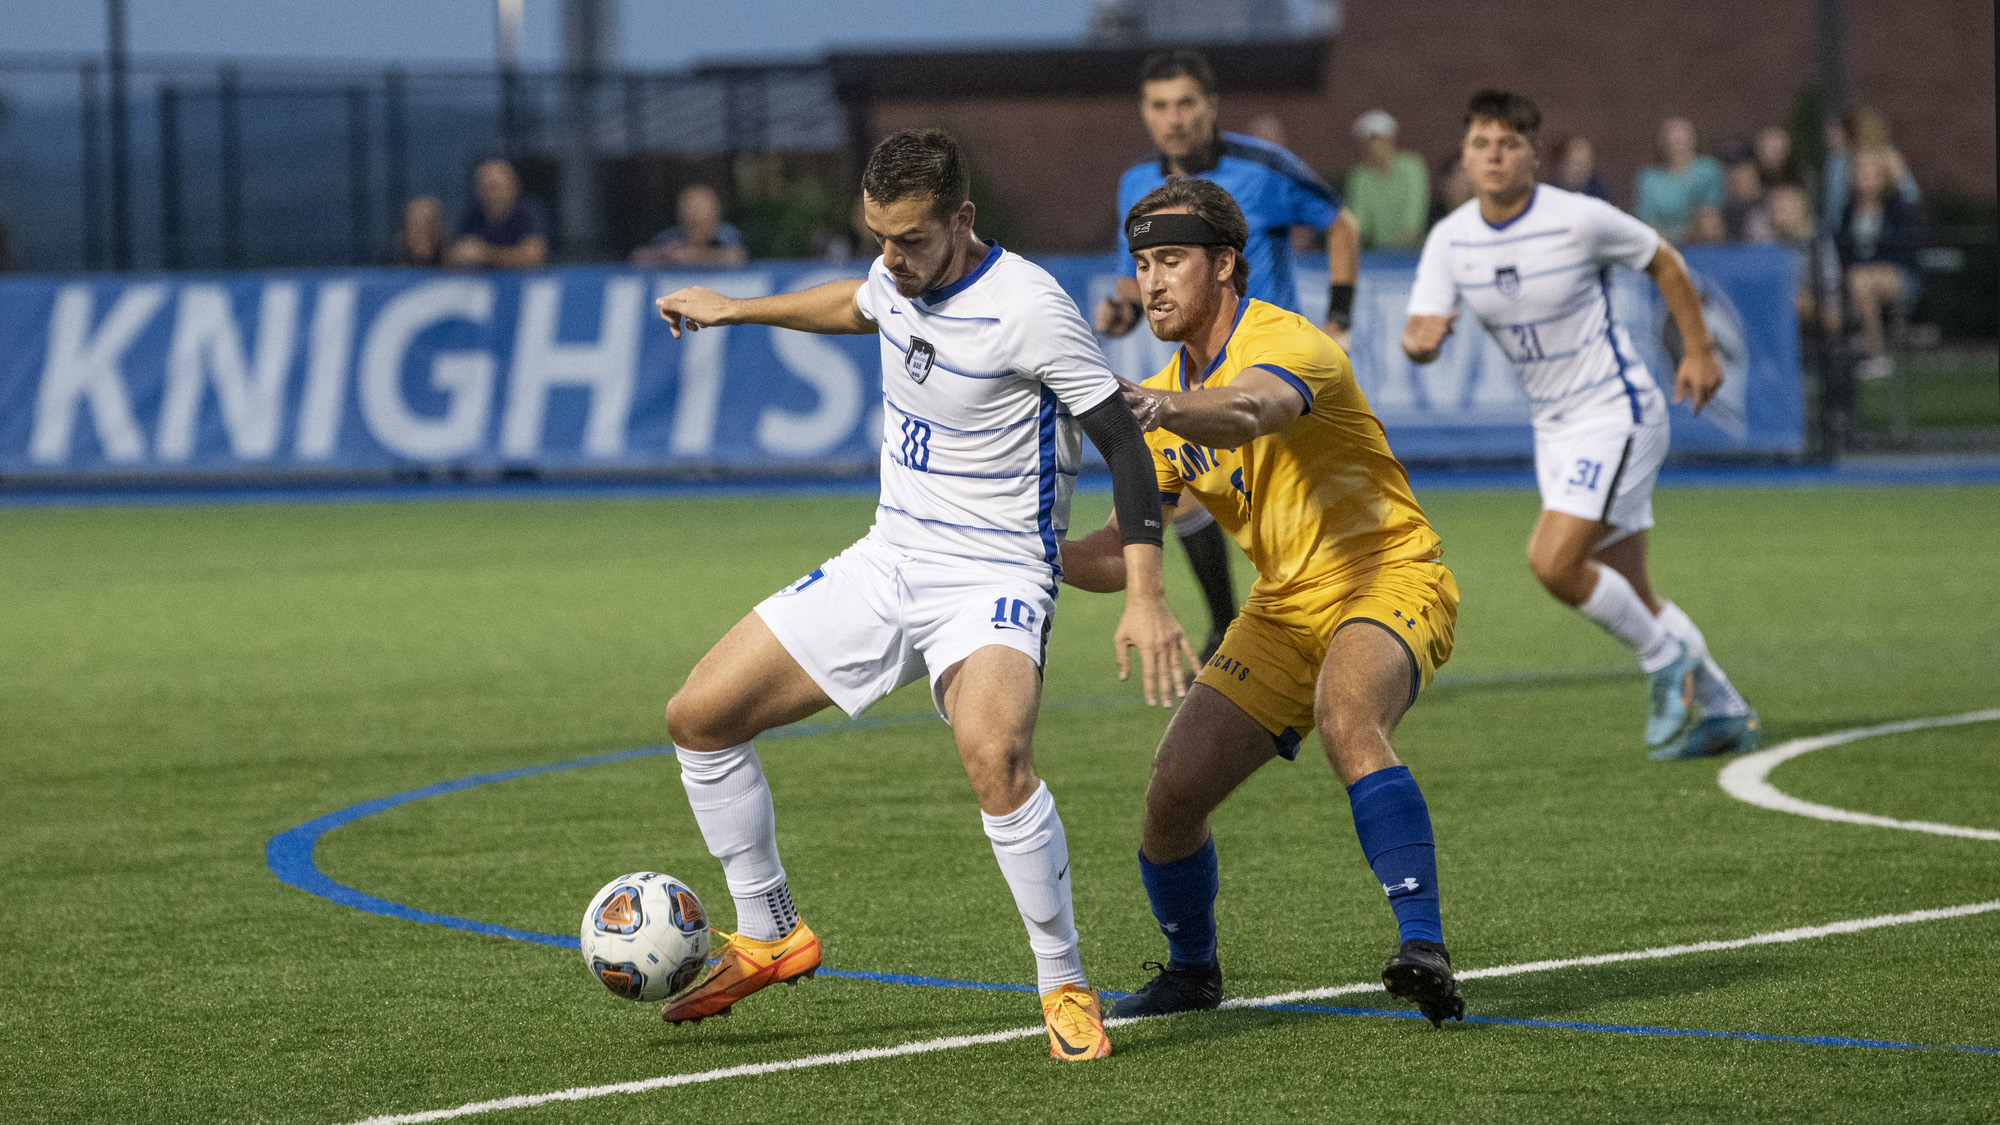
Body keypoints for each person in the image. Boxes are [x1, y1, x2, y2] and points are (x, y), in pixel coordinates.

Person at [651, 128, 1186, 1061]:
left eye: (909, 240)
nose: (891, 259)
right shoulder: (895, 273)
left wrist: (1145, 593)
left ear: (962, 219)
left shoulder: (1031, 308)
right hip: (889, 558)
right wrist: (736, 309)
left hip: (995, 576)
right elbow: (857, 304)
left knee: (996, 756)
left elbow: (1125, 446)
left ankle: (1063, 981)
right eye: (879, 239)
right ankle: (770, 929)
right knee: (699, 716)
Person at [1061, 176, 1467, 1029]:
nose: (1152, 283)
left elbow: (1251, 409)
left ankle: (1423, 944)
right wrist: (1030, 551)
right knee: (1173, 794)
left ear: (1225, 266)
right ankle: (1192, 971)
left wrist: (1160, 407)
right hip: (1283, 607)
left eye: (1172, 260)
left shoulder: (1285, 340)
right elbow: (1121, 547)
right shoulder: (1164, 393)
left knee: (1347, 716)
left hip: (1387, 573)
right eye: (1142, 264)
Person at [1403, 89, 1758, 760]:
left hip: (1617, 411)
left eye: (1508, 144)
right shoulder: (1451, 238)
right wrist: (1419, 343)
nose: (1493, 157)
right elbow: (1419, 332)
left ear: (1533, 155)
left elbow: (1664, 260)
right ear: (1465, 156)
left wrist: (1700, 350)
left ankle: (1663, 660)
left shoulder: (1577, 218)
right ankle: (1725, 711)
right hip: (1555, 428)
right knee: (1632, 590)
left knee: (1553, 561)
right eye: (1481, 144)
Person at [1096, 49, 1360, 664]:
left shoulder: (1262, 167)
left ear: (1212, 105)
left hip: (1272, 368)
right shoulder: (1136, 184)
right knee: (1185, 488)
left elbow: (1340, 224)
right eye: (1160, 105)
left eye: (1186, 102)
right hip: (1202, 368)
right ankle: (1226, 629)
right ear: (1144, 112)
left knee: (1304, 518)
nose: (1174, 117)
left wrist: (1339, 320)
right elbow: (1134, 279)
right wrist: (1123, 311)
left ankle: (1353, 619)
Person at [1835, 148, 1925, 382]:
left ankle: (1876, 355)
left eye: (1869, 171)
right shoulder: (1848, 210)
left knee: (1859, 280)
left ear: (1882, 177)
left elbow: (1905, 249)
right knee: (1853, 282)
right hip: (1856, 278)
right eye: (1859, 170)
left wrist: (1869, 266)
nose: (1862, 176)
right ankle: (1842, 352)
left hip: (1898, 274)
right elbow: (1842, 250)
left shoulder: (1898, 208)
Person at [1343, 110, 1430, 251]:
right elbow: (1359, 221)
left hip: (1415, 250)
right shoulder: (1359, 177)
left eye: (1379, 139)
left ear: (1391, 140)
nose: (1374, 146)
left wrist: (1410, 235)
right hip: (1381, 253)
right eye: (1369, 141)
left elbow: (1415, 207)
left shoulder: (1412, 165)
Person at [1634, 117, 1724, 244]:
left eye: (1682, 136)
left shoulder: (1708, 169)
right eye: (1671, 136)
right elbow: (1646, 222)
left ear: (1694, 139)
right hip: (1662, 245)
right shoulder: (1648, 178)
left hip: (1700, 243)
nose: (1676, 141)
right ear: (1661, 142)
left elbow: (1711, 214)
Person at [446, 158, 547, 269]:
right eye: (484, 187)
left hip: (517, 278)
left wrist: (485, 253)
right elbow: (455, 252)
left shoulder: (527, 211)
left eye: (495, 186)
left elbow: (534, 256)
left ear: (513, 186)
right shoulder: (474, 213)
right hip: (482, 278)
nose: (490, 194)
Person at [631, 184, 748, 268]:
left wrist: (695, 256)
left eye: (699, 208)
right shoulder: (670, 236)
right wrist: (664, 255)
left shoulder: (726, 233)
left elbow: (737, 257)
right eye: (688, 207)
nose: (693, 214)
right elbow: (638, 257)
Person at [1720, 143, 1775, 244]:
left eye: (1742, 170)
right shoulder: (1720, 210)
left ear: (1755, 171)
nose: (1736, 177)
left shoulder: (1773, 203)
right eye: (1730, 171)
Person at [1549, 135, 1613, 204]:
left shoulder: (1599, 191)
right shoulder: (1552, 188)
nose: (1580, 169)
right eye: (1575, 163)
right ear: (1564, 161)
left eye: (1584, 164)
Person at [395, 196, 446, 267]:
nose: (420, 230)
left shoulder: (451, 267)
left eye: (428, 223)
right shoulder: (393, 265)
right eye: (414, 223)